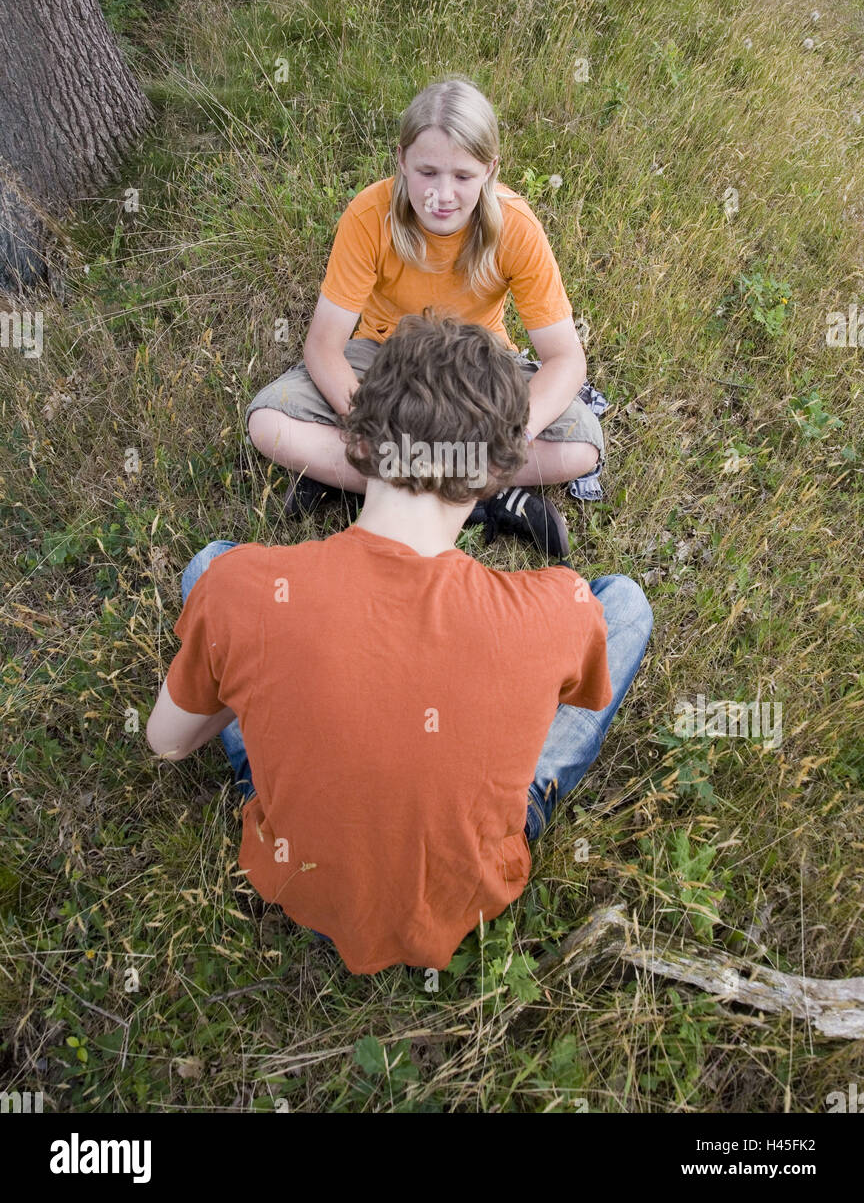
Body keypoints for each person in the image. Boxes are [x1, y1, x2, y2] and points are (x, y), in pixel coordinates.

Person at [147, 313, 652, 975]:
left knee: (209, 565)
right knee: (625, 604)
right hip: (472, 885)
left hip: (293, 870)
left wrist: (261, 673)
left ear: (356, 441)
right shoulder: (561, 607)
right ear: (499, 473)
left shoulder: (242, 588)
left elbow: (168, 742)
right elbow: (572, 686)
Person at [245, 73, 606, 562]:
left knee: (580, 448)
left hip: (477, 364)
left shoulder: (516, 226)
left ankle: (362, 485)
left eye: (462, 177)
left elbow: (565, 359)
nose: (442, 194)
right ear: (401, 161)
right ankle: (484, 497)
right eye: (427, 172)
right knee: (269, 422)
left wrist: (514, 433)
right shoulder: (369, 215)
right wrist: (366, 424)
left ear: (489, 170)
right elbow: (324, 346)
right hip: (382, 355)